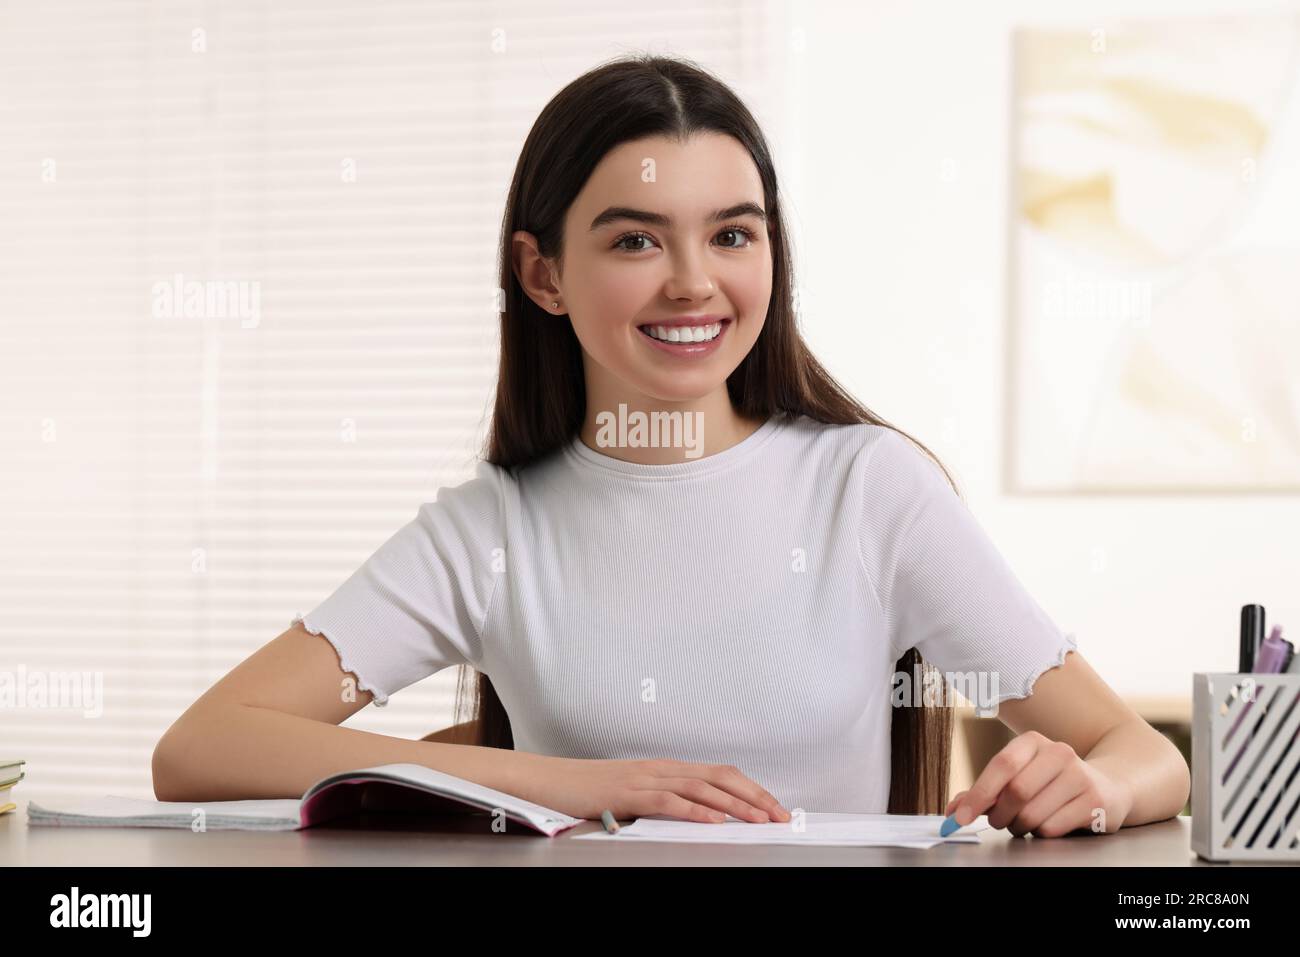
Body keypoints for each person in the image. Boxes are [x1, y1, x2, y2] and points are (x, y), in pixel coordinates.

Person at [153, 53, 1189, 836]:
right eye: (636, 239)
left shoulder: (868, 490)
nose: (693, 280)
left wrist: (1091, 787)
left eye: (731, 234)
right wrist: (568, 780)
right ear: (543, 275)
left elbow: (1142, 753)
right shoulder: (493, 529)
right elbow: (200, 749)